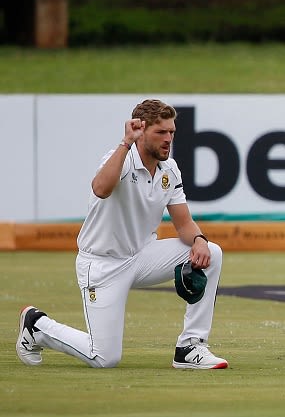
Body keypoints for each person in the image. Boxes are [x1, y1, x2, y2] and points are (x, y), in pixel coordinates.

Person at [16, 99, 228, 369]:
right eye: (160, 132)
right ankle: (37, 326)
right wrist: (126, 142)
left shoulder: (170, 170)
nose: (168, 139)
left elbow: (184, 224)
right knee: (104, 357)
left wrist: (199, 240)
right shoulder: (121, 158)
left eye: (171, 132)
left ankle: (190, 347)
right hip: (102, 264)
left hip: (142, 257)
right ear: (141, 131)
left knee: (212, 252)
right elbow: (101, 189)